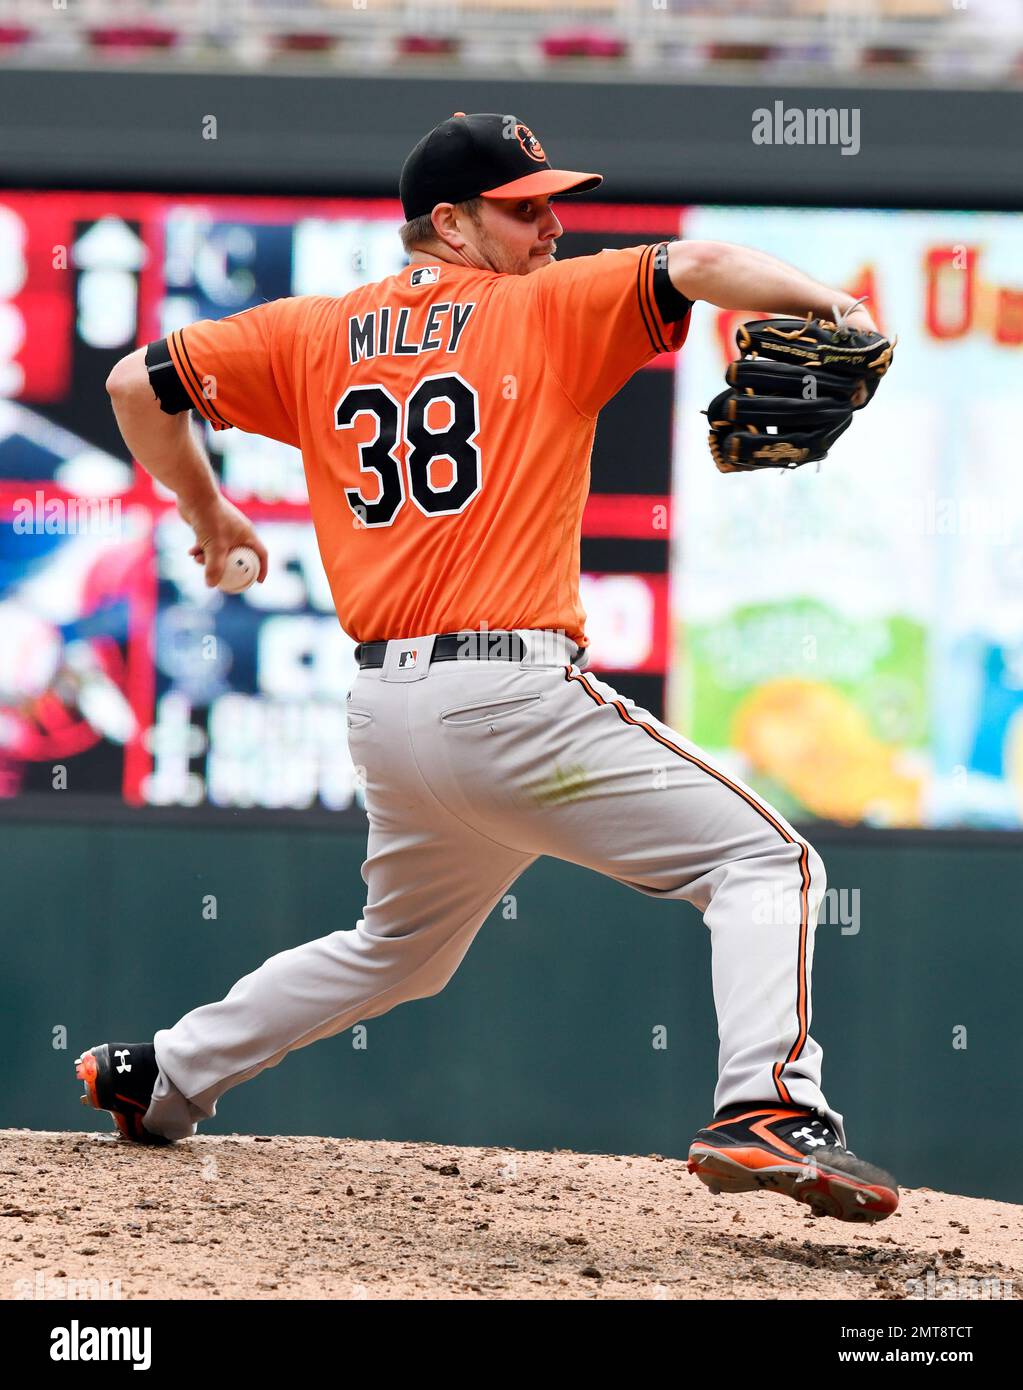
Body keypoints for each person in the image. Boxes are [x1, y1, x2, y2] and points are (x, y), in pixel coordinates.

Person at [77, 112, 898, 1223]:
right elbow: (698, 266)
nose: (554, 226)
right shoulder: (546, 309)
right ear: (449, 223)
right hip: (513, 698)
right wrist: (838, 310)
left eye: (554, 203)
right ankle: (767, 1107)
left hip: (386, 712)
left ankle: (165, 1075)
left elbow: (136, 383)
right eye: (525, 209)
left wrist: (211, 511)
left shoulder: (313, 332)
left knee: (399, 949)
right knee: (769, 864)